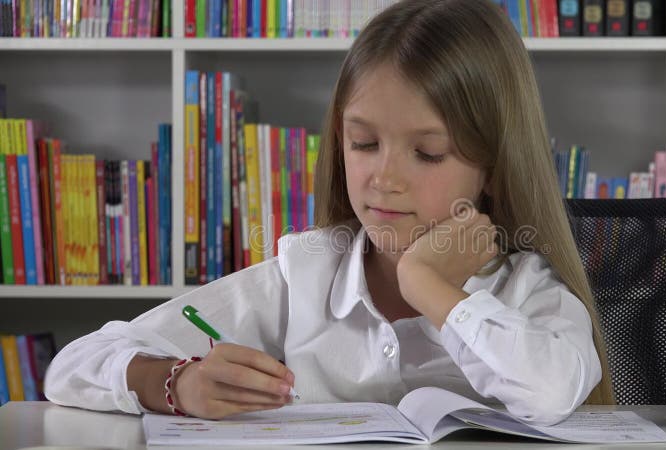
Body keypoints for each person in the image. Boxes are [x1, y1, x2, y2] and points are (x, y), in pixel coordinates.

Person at [45, 0, 614, 425]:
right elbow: (72, 365)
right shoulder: (306, 275)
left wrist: (426, 284)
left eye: (428, 152)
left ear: (491, 166)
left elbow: (547, 391)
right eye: (363, 144)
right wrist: (175, 382)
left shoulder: (529, 291)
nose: (383, 179)